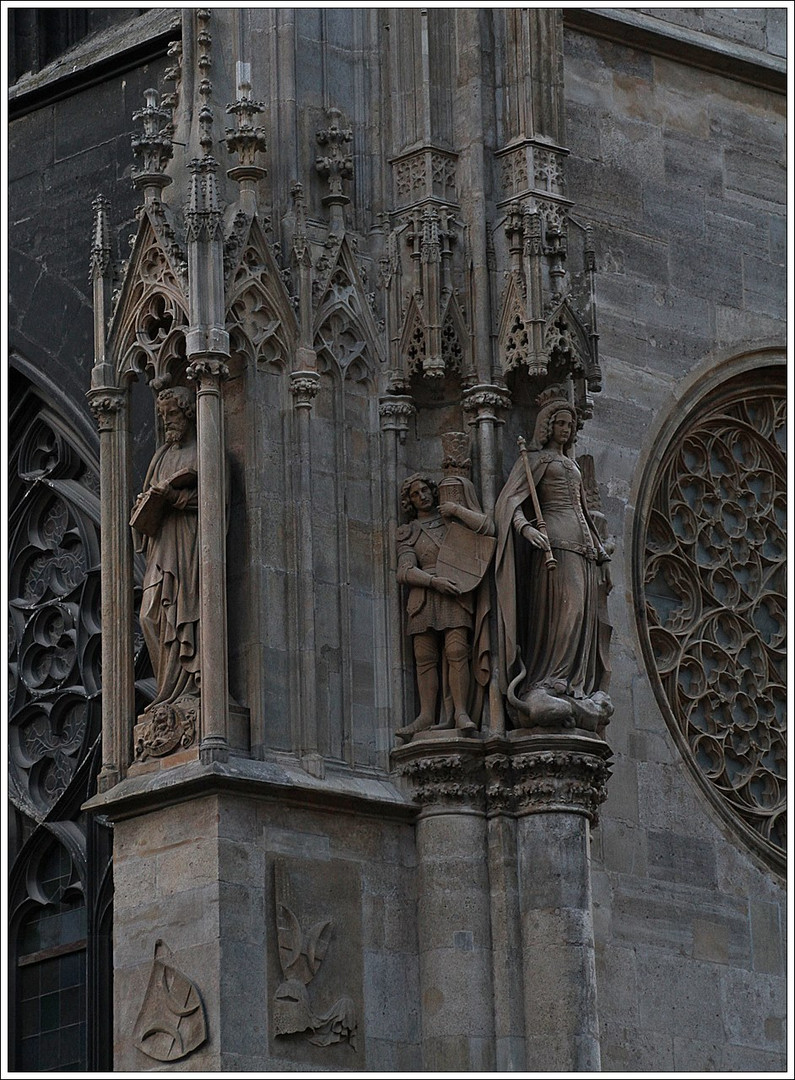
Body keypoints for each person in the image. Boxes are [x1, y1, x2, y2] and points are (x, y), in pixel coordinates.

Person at [494, 389, 613, 732]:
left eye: (570, 424)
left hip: (582, 547)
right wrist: (526, 529)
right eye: (560, 423)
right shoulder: (535, 461)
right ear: (547, 426)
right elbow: (510, 503)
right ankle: (547, 679)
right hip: (554, 543)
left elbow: (583, 511)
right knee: (565, 611)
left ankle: (574, 684)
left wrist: (601, 553)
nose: (566, 429)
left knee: (581, 616)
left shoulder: (571, 465)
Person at [395, 473, 493, 742]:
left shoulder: (452, 522)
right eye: (415, 494)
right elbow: (404, 570)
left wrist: (457, 510)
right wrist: (433, 581)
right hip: (425, 596)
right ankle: (426, 715)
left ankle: (460, 712)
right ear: (410, 502)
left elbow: (487, 529)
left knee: (457, 651)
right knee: (424, 657)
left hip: (455, 591)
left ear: (433, 491)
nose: (422, 496)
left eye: (425, 490)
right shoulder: (409, 532)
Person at [132, 386, 200, 712]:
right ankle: (166, 688)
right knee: (149, 615)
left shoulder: (203, 451)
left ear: (188, 414)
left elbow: (216, 498)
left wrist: (176, 497)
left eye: (172, 414)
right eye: (163, 416)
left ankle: (189, 685)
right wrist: (146, 504)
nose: (167, 421)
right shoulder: (161, 456)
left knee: (182, 611)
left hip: (188, 543)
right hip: (161, 545)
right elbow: (150, 494)